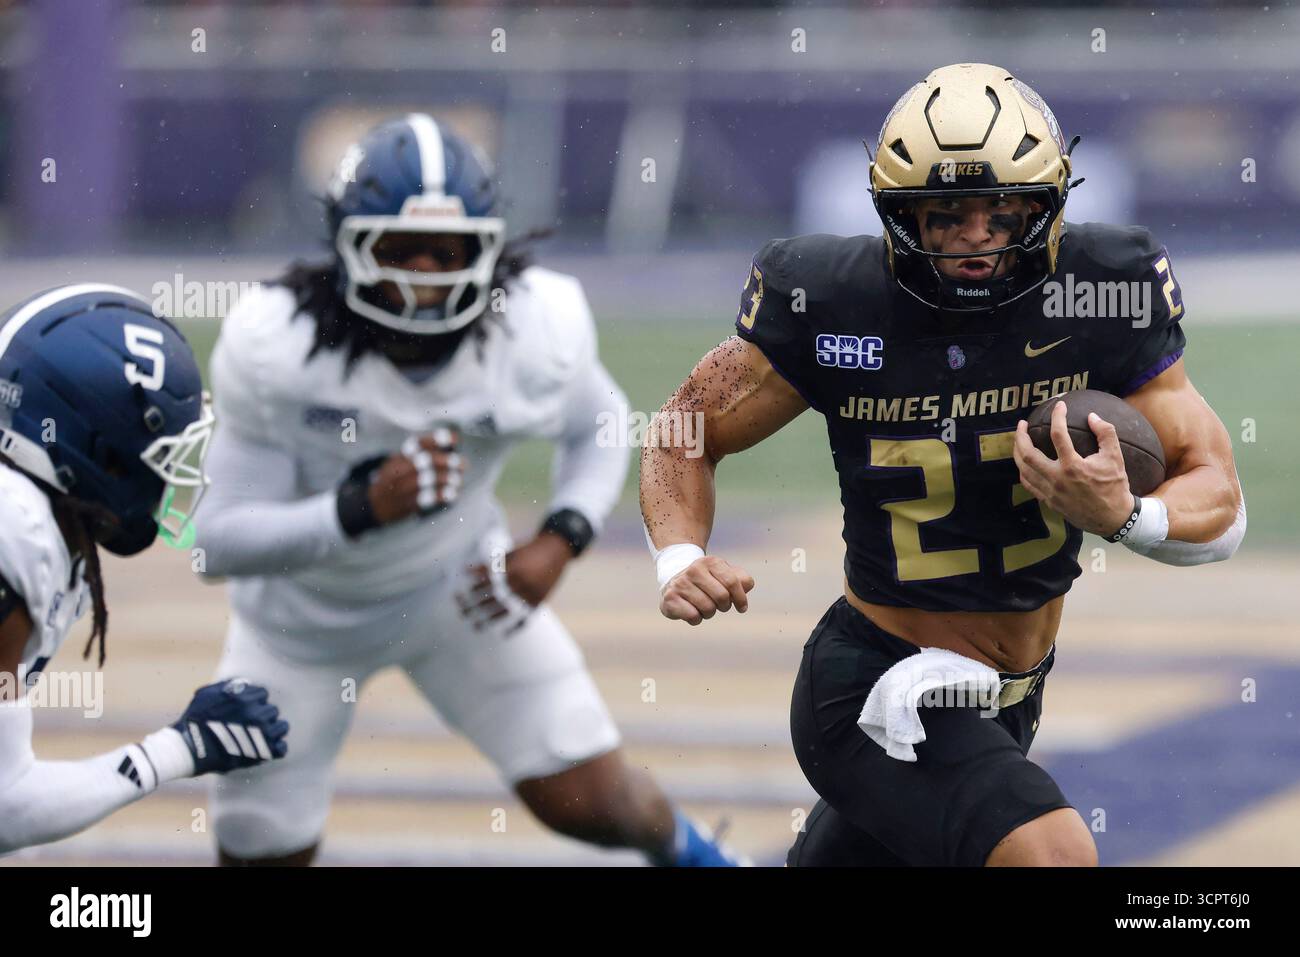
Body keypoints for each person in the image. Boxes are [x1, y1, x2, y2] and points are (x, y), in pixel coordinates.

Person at [640, 63, 1246, 867]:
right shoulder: (831, 301)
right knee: (1053, 854)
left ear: (1048, 205)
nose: (976, 237)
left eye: (1004, 212)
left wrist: (1127, 515)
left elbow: (1220, 499)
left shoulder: (1103, 290)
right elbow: (683, 426)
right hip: (875, 684)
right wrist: (679, 554)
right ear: (899, 215)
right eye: (946, 214)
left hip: (1009, 695)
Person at [196, 114, 744, 866]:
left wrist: (561, 537)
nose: (424, 275)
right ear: (347, 248)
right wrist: (355, 510)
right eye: (399, 251)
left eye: (446, 252)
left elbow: (602, 423)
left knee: (600, 801)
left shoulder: (531, 328)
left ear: (487, 251)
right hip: (298, 626)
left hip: (457, 594)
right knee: (260, 852)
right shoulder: (278, 346)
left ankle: (708, 861)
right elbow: (216, 541)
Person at [0, 284, 288, 854]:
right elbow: (7, 808)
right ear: (98, 449)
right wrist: (180, 748)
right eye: (161, 454)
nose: (171, 478)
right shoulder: (16, 528)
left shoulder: (35, 516)